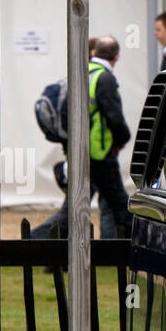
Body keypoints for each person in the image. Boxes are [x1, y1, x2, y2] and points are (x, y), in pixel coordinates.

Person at [31, 35, 132, 240]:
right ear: (117, 56)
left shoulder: (80, 73)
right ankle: (130, 253)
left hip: (77, 149)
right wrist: (123, 139)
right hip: (98, 153)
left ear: (95, 53)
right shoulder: (105, 78)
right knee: (120, 203)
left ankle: (51, 254)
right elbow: (114, 116)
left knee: (75, 205)